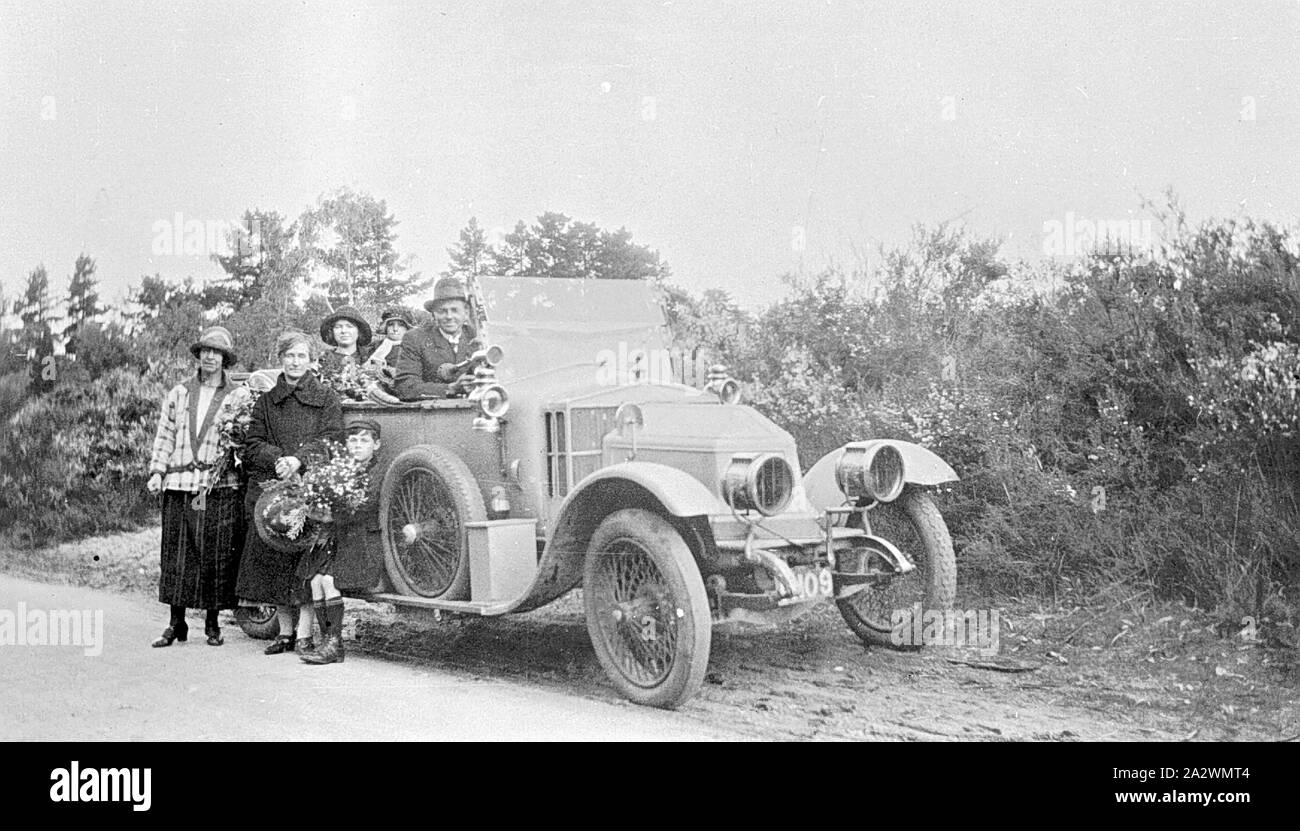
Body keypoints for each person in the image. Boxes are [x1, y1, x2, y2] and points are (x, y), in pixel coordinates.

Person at [236, 331, 343, 655]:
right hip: (275, 490)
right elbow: (252, 443)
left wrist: (300, 459)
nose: (295, 362)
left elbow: (332, 438)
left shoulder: (325, 397)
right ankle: (284, 632)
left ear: (311, 360)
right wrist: (277, 460)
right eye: (289, 356)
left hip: (310, 488)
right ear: (280, 359)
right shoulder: (267, 401)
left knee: (305, 563)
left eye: (301, 356)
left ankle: (304, 634)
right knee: (275, 557)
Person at [146, 326, 244, 648]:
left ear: (225, 358)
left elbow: (242, 441)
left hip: (215, 488)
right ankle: (177, 623)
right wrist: (158, 471)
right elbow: (165, 435)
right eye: (205, 351)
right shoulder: (179, 393)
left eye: (216, 352)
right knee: (177, 554)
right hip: (180, 484)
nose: (209, 357)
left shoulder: (237, 397)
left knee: (214, 554)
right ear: (198, 355)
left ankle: (213, 624)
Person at [296, 418, 385, 665]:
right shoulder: (341, 469)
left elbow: (364, 507)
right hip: (343, 539)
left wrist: (332, 513)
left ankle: (334, 645)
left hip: (364, 542)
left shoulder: (377, 472)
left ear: (376, 445)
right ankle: (329, 642)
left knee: (328, 580)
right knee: (315, 581)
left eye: (364, 441)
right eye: (353, 440)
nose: (357, 445)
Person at [394, 277, 480, 400]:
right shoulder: (415, 339)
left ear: (466, 312)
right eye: (442, 311)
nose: (449, 316)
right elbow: (405, 386)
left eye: (455, 310)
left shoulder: (479, 337)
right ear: (434, 314)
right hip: (433, 414)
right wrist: (451, 388)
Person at [316, 305, 373, 401]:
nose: (343, 331)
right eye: (338, 327)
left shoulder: (369, 357)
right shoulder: (322, 360)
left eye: (349, 326)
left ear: (358, 331)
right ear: (332, 332)